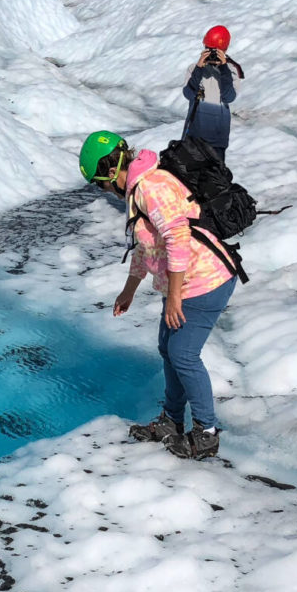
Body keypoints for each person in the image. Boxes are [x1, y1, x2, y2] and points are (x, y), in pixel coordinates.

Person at [79, 131, 237, 461]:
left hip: (206, 280)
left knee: (183, 353)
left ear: (111, 172)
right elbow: (148, 245)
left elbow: (178, 239)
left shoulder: (151, 188)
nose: (102, 190)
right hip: (182, 282)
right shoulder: (137, 189)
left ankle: (206, 433)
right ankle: (172, 421)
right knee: (168, 348)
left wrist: (176, 297)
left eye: (99, 183)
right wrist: (129, 290)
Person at [182, 25, 242, 162]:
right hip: (193, 137)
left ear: (224, 50)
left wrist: (223, 68)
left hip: (217, 141)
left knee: (214, 180)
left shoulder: (232, 70)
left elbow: (229, 96)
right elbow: (188, 94)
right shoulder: (194, 69)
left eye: (216, 51)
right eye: (208, 49)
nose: (212, 54)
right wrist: (199, 69)